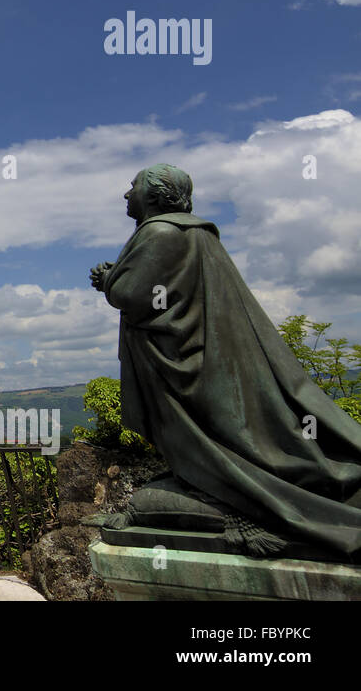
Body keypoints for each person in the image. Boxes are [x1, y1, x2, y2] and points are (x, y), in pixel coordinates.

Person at [92, 164, 361, 559]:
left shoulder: (162, 232)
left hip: (182, 364)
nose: (126, 193)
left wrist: (109, 281)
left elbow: (134, 295)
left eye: (132, 186)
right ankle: (212, 478)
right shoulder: (195, 234)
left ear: (154, 194)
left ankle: (233, 489)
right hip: (204, 354)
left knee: (213, 438)